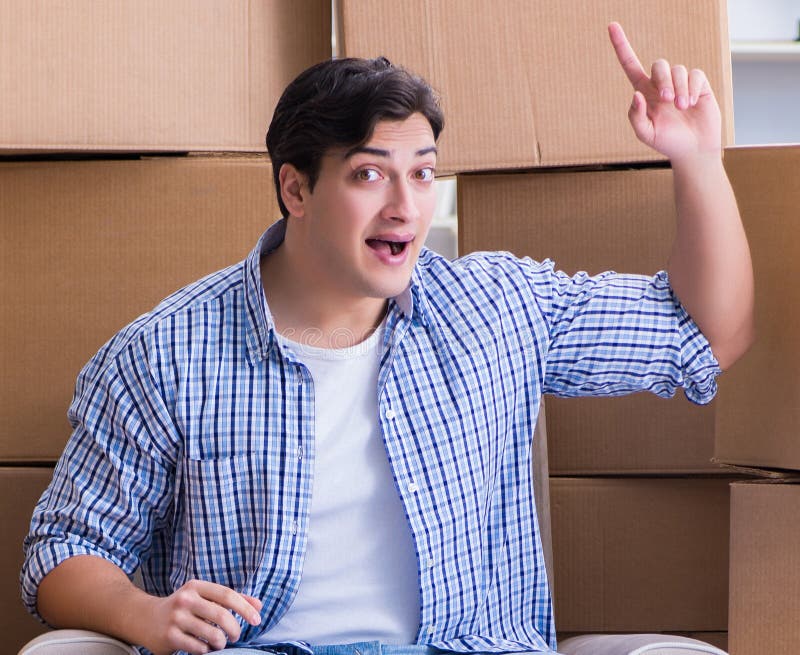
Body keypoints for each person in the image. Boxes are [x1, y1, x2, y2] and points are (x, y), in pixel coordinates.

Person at [21, 22, 754, 655]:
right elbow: (63, 548)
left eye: (423, 173)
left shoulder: (498, 306)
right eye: (370, 173)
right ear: (296, 189)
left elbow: (703, 335)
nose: (406, 207)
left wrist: (696, 161)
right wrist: (145, 614)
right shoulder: (164, 353)